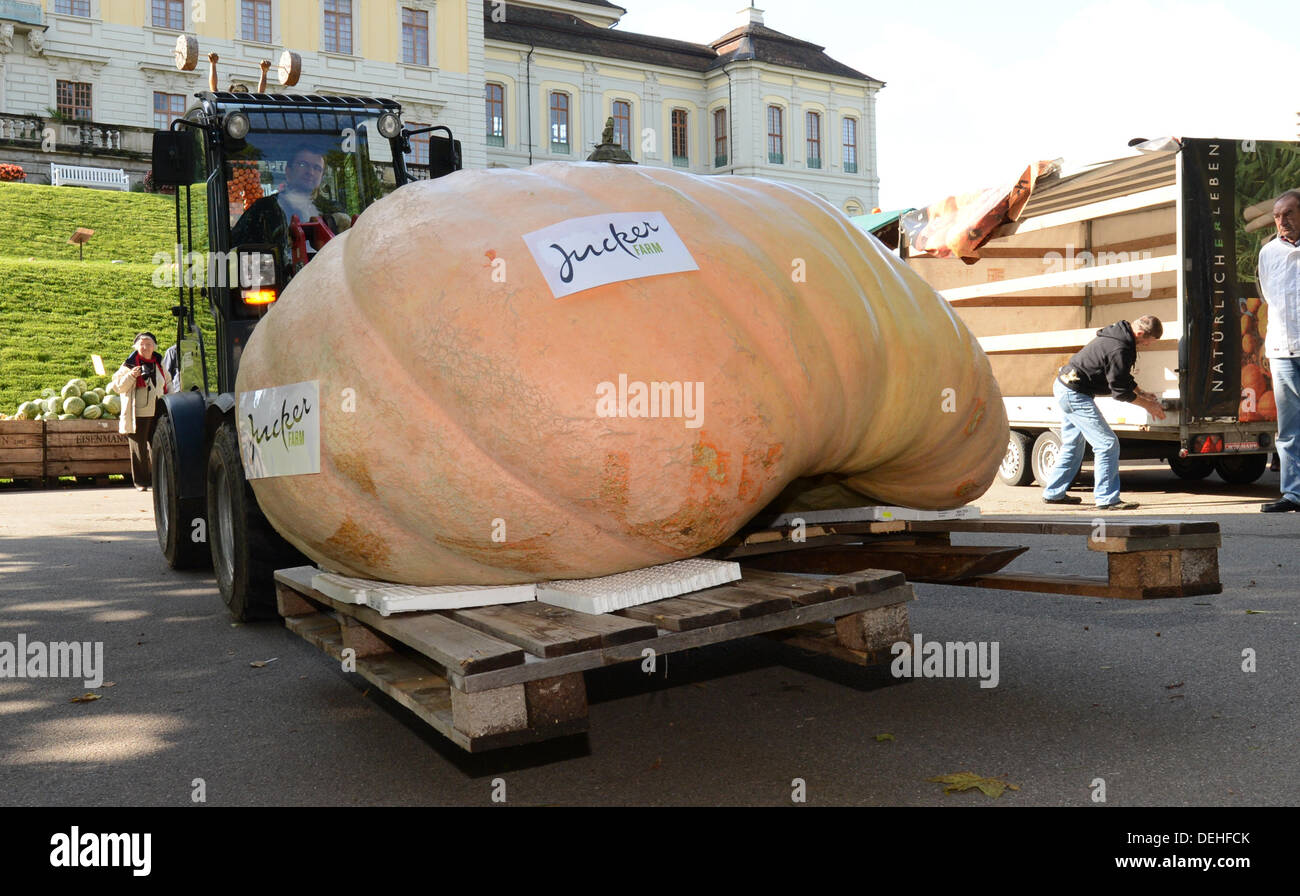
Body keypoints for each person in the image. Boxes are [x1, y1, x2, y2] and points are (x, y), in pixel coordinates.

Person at [1041, 315, 1167, 510]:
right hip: (1074, 393)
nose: (1147, 345)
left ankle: (1054, 493)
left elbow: (1120, 377)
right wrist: (1148, 405)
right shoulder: (1120, 348)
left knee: (1073, 444)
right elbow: (1120, 392)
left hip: (1067, 386)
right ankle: (1107, 498)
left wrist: (1141, 392)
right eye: (1148, 342)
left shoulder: (1118, 336)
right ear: (1140, 333)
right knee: (1107, 444)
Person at [231, 147, 343, 278]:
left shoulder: (335, 210)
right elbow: (239, 252)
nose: (310, 172)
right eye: (303, 164)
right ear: (288, 171)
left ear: (322, 176)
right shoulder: (263, 209)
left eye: (317, 168)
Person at [1256, 190, 1300, 512]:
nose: (1282, 222)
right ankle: (1293, 495)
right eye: (1277, 216)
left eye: (1289, 214)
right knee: (1288, 430)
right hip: (1282, 351)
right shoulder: (1268, 253)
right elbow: (1269, 297)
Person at [109, 332, 174, 491]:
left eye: (149, 344)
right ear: (136, 347)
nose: (145, 347)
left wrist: (172, 401)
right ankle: (141, 482)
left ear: (154, 347)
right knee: (138, 449)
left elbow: (168, 383)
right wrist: (131, 376)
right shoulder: (129, 365)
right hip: (137, 412)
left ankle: (158, 480)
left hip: (158, 411)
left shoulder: (159, 362)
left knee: (158, 446)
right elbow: (117, 386)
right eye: (142, 344)